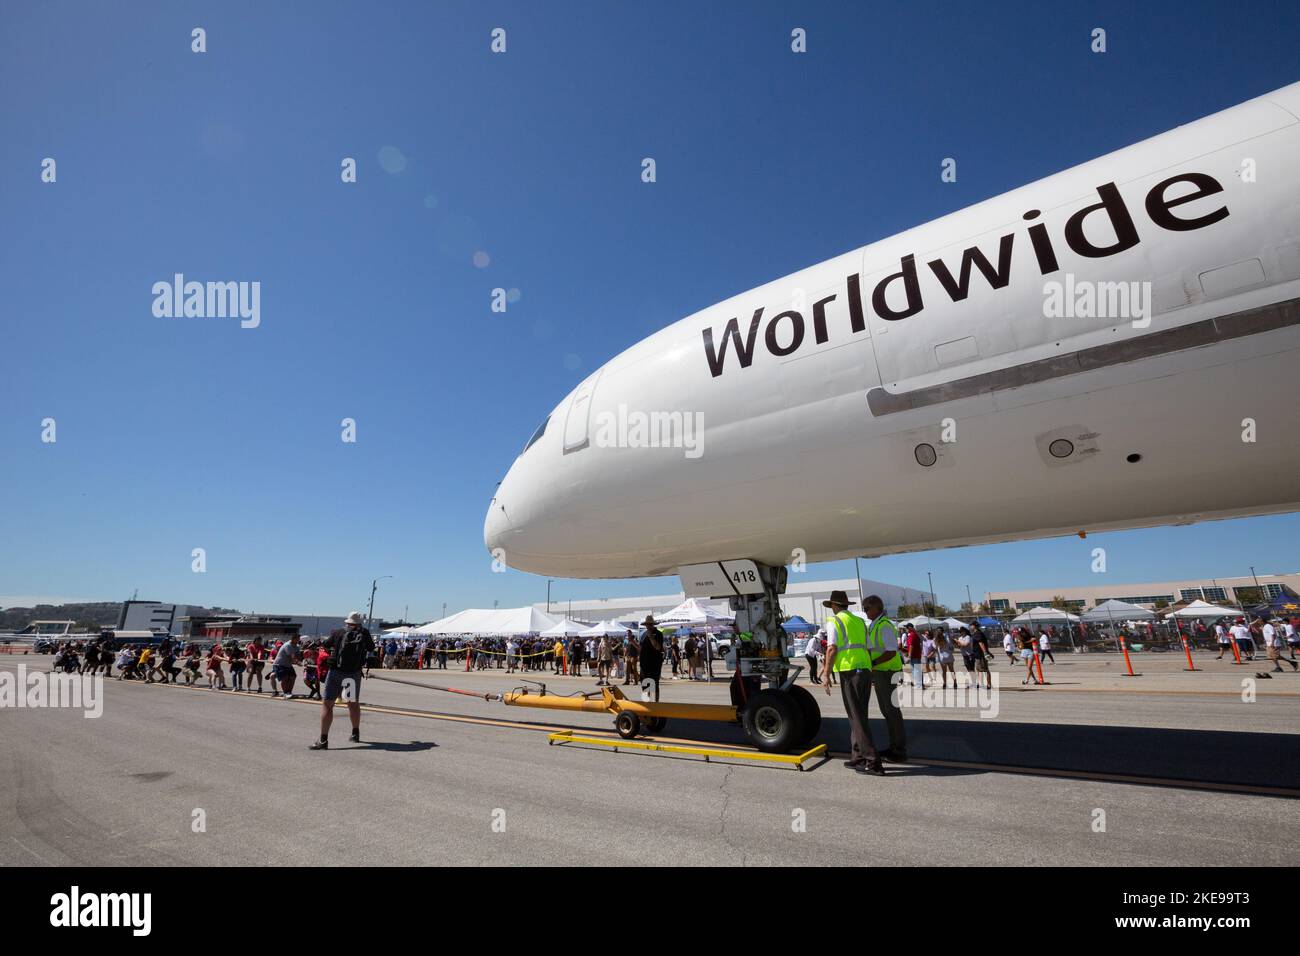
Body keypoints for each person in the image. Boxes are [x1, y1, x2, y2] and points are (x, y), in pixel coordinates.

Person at [311, 612, 376, 750]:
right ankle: (355, 733)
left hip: (336, 672)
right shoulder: (364, 633)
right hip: (353, 674)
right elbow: (371, 648)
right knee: (352, 703)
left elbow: (325, 645)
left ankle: (323, 740)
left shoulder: (339, 632)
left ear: (347, 622)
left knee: (328, 705)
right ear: (359, 623)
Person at [639, 616, 665, 702]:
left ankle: (656, 704)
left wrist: (651, 637)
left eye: (650, 624)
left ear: (653, 624)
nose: (648, 626)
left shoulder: (658, 634)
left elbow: (658, 648)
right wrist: (633, 643)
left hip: (654, 664)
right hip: (644, 664)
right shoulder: (643, 634)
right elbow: (640, 648)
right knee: (645, 685)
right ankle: (646, 704)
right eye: (647, 624)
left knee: (654, 684)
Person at [272, 634, 301, 698]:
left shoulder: (297, 646)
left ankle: (289, 692)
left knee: (293, 676)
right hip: (279, 664)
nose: (299, 640)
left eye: (299, 639)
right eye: (297, 639)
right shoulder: (288, 645)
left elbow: (298, 655)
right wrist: (298, 662)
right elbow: (292, 656)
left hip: (288, 665)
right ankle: (285, 693)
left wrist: (302, 661)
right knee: (285, 678)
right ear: (293, 639)